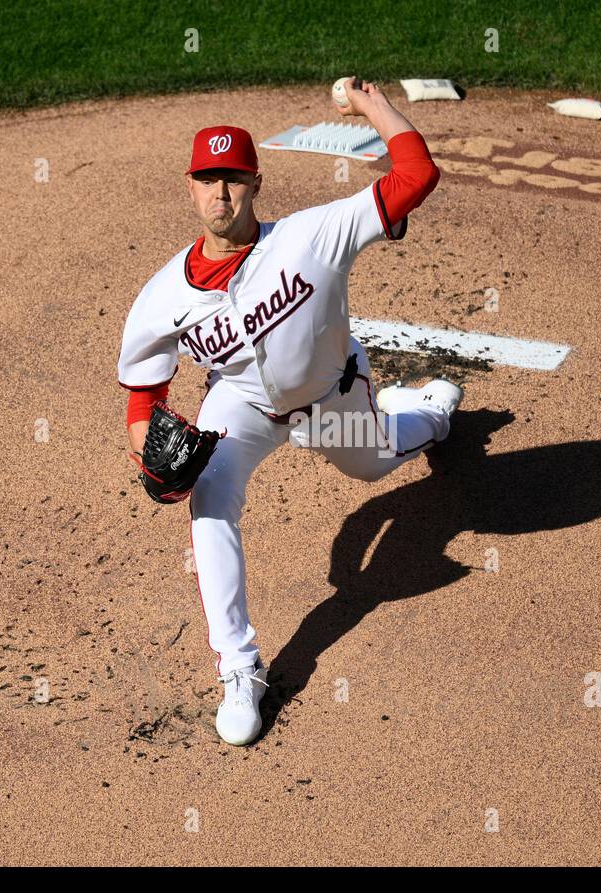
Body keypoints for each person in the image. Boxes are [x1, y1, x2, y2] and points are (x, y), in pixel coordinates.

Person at [116, 78, 462, 745]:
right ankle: (241, 671)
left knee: (375, 464)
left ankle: (432, 414)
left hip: (331, 398)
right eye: (209, 179)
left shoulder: (315, 235)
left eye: (234, 179)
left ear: (256, 183)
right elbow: (144, 394)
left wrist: (372, 105)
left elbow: (417, 175)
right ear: (190, 187)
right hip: (241, 407)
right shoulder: (161, 297)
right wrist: (145, 456)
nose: (221, 193)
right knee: (210, 497)